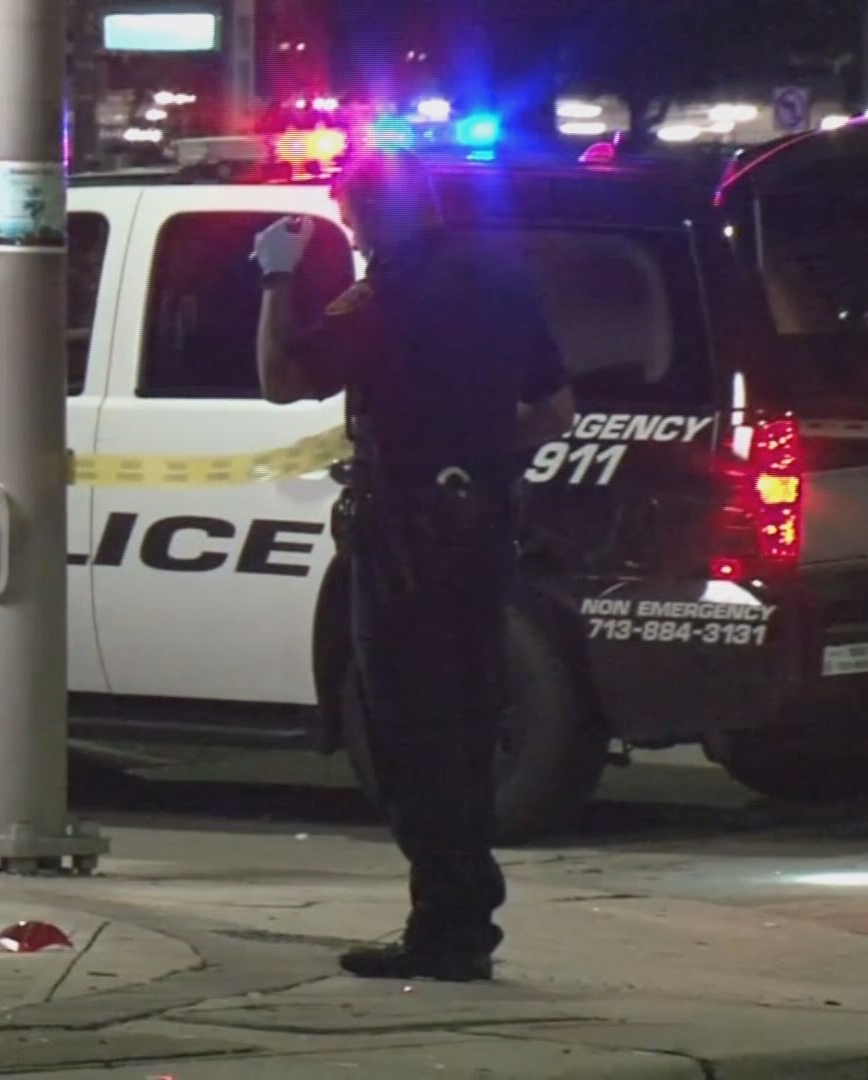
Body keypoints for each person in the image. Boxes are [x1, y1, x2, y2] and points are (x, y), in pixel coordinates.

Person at [252, 149, 576, 980]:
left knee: (408, 733)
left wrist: (276, 280)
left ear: (378, 213)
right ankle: (466, 915)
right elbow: (555, 410)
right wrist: (475, 463)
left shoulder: (387, 294)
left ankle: (446, 925)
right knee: (469, 724)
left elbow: (283, 379)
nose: (352, 236)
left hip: (402, 543)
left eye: (352, 217)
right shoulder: (502, 281)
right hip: (480, 533)